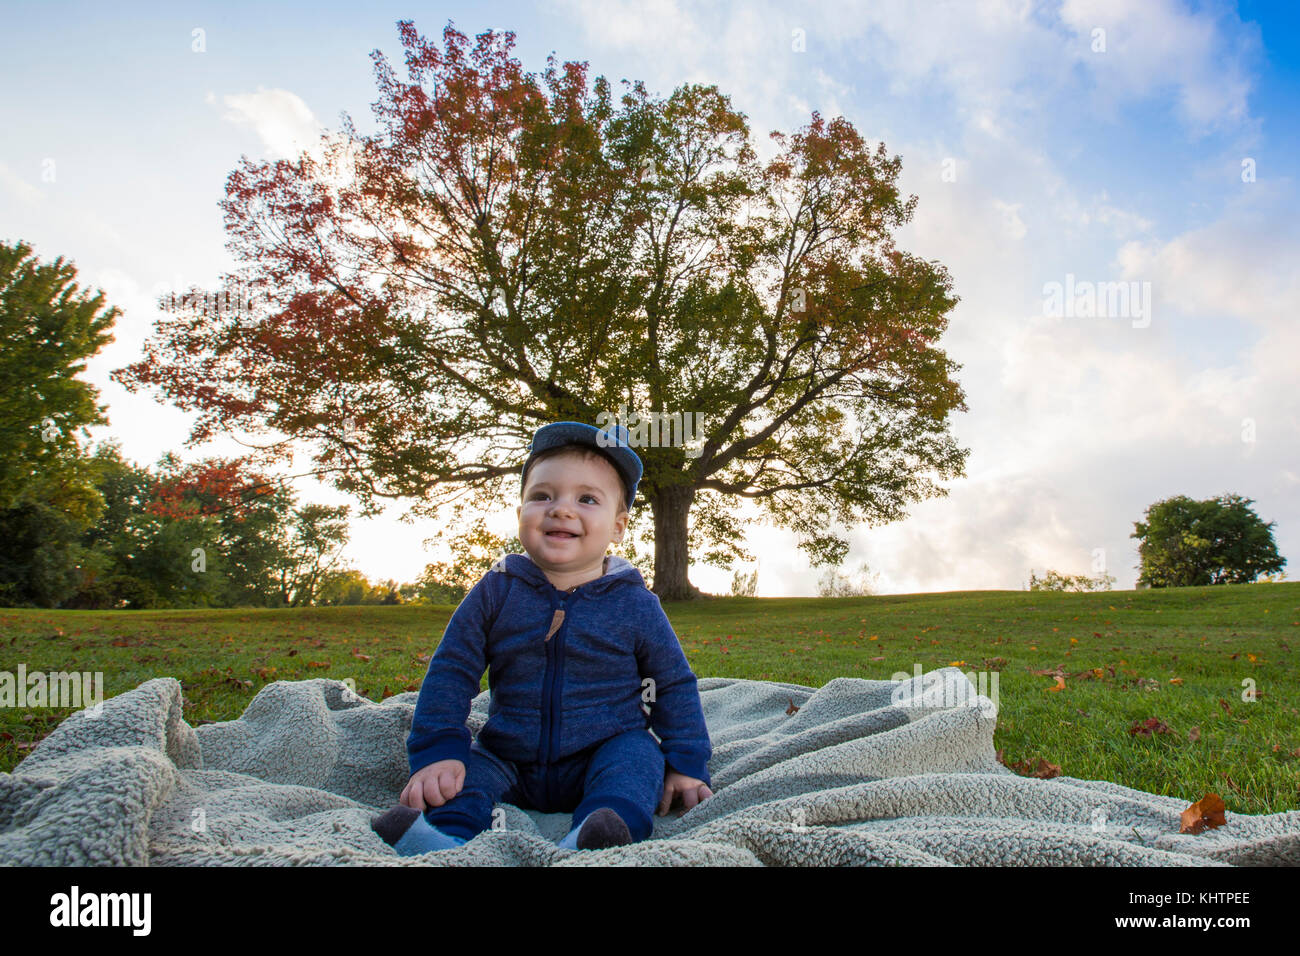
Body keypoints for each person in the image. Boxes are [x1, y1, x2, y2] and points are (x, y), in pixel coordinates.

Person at [371, 421, 713, 854]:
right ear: (520, 515)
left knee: (639, 758)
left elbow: (673, 683)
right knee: (466, 773)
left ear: (618, 527)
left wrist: (686, 763)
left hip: (604, 749)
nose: (561, 509)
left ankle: (599, 832)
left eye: (587, 499)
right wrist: (439, 751)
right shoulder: (498, 589)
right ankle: (443, 838)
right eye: (542, 496)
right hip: (509, 753)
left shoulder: (635, 602)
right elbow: (452, 670)